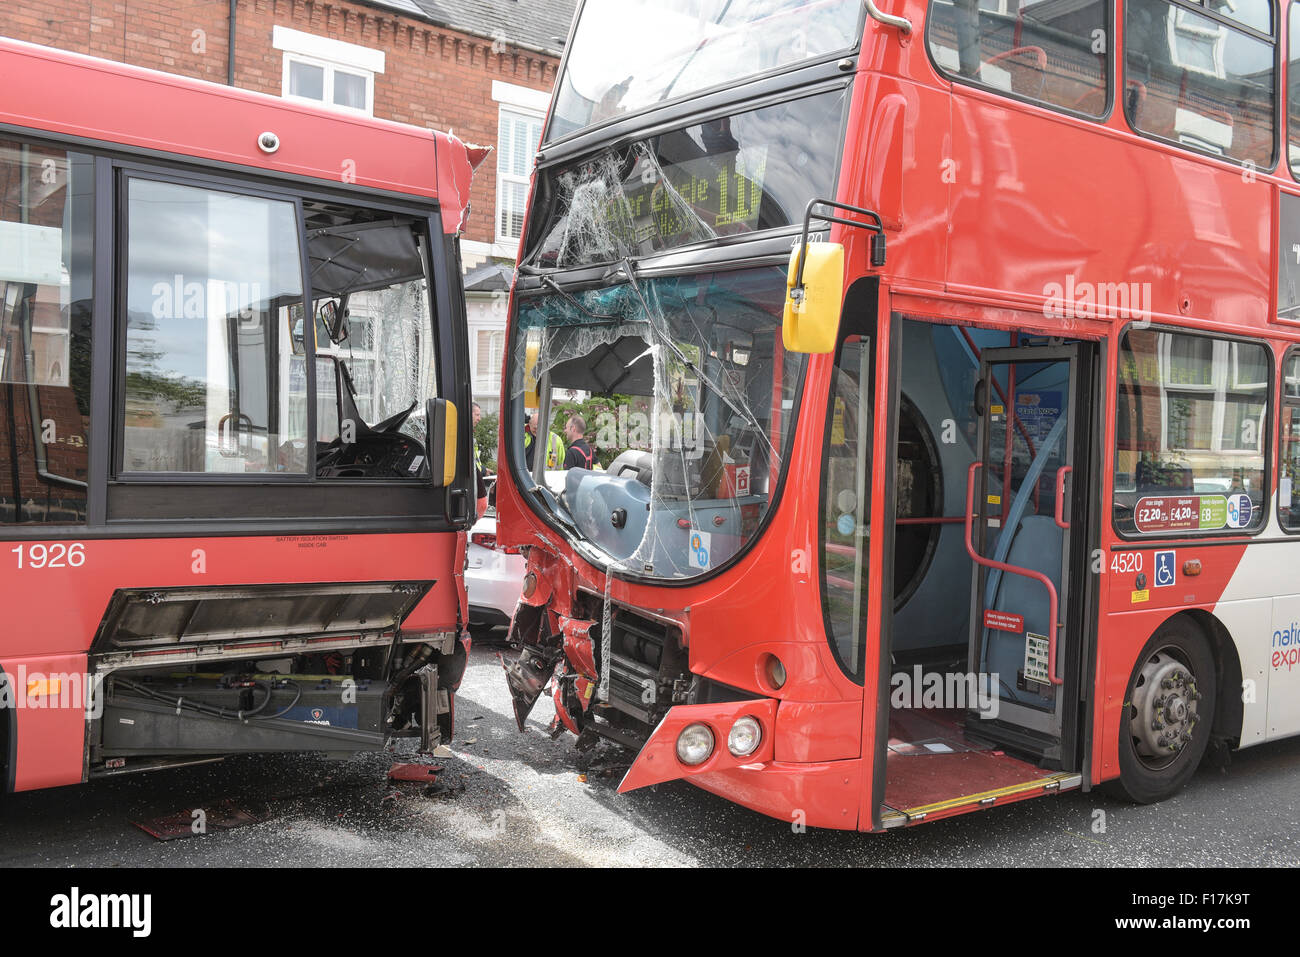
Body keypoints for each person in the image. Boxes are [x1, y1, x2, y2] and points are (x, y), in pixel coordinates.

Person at [472, 402, 488, 519]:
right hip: (473, 478)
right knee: (481, 505)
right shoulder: (464, 434)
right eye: (477, 415)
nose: (479, 418)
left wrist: (482, 470)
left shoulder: (469, 433)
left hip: (476, 476)